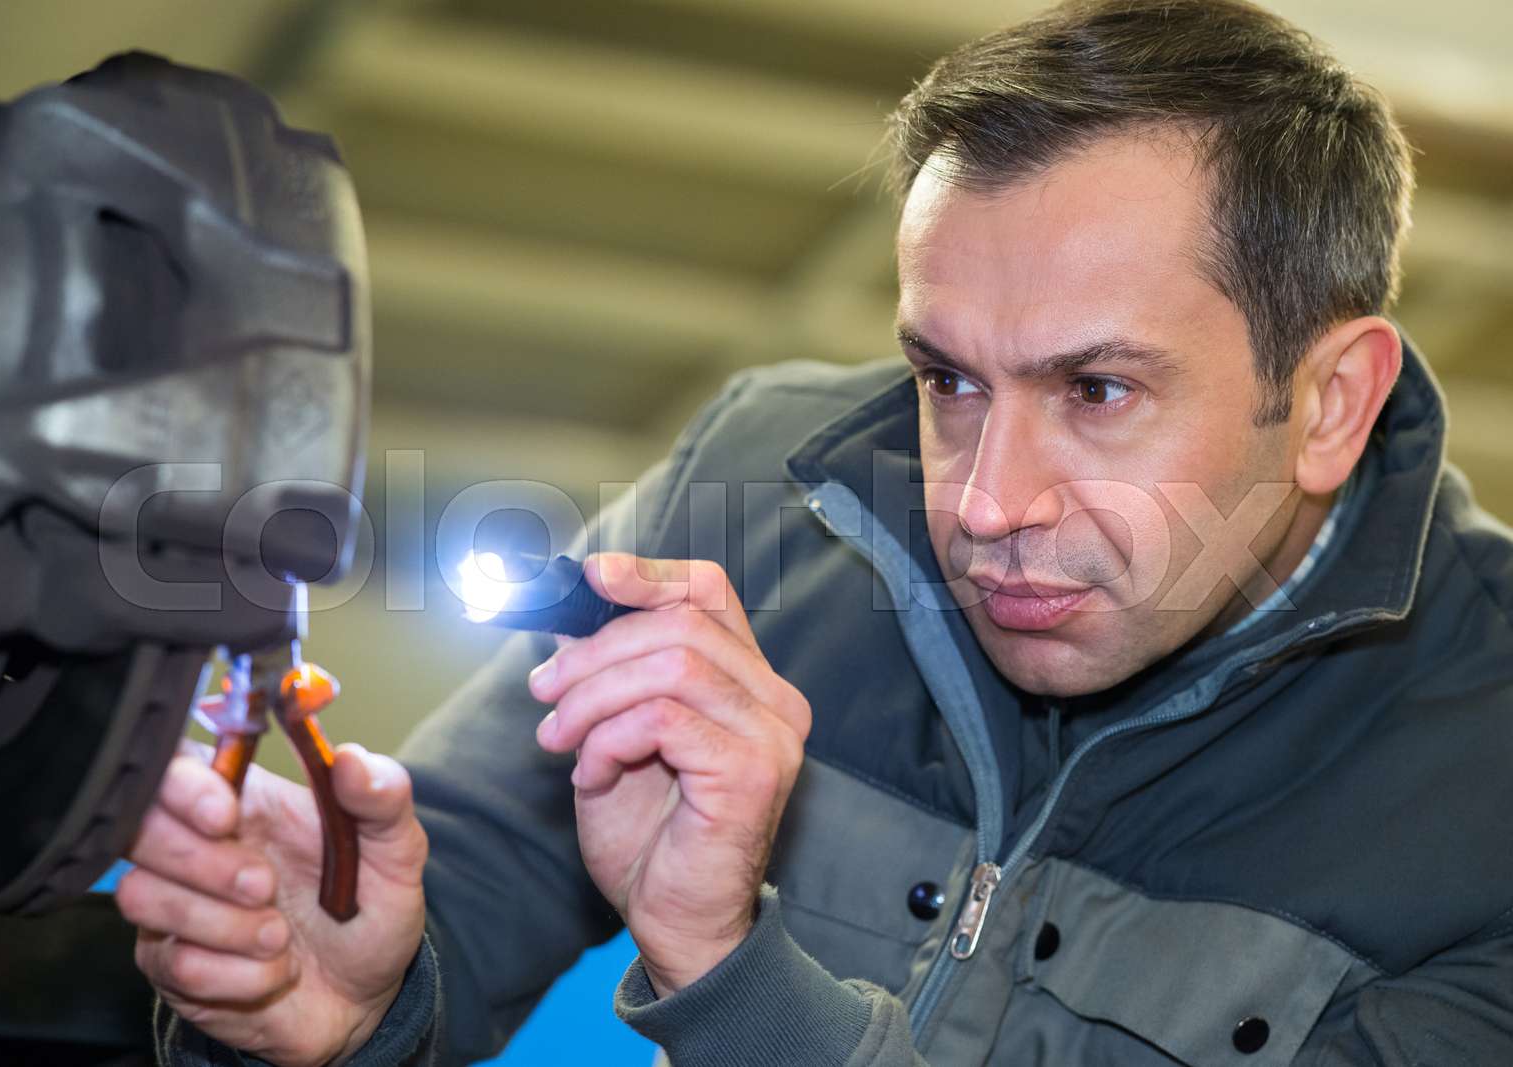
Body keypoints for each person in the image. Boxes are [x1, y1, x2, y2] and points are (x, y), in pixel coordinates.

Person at [118, 0, 1513, 1063]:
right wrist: (351, 992)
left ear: (1332, 403)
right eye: (947, 379)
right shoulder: (764, 486)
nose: (981, 502)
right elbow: (476, 857)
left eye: (1098, 391)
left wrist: (736, 970)